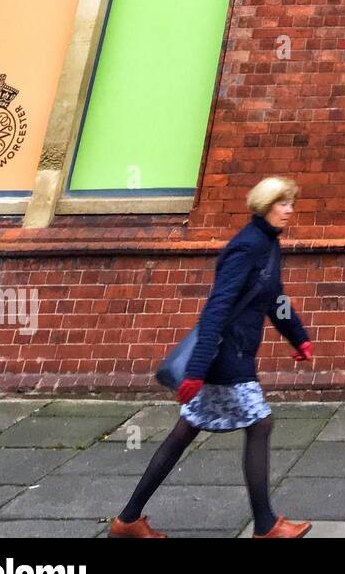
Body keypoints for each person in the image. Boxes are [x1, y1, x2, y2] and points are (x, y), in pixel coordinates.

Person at [110, 177, 314, 539]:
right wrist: (197, 369)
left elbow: (274, 297)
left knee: (184, 431)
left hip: (233, 351)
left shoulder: (268, 244)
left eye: (291, 203)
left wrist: (298, 337)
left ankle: (127, 521)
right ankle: (266, 526)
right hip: (224, 354)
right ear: (266, 205)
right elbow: (217, 307)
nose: (290, 210)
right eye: (284, 203)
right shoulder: (246, 247)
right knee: (260, 424)